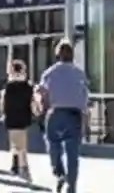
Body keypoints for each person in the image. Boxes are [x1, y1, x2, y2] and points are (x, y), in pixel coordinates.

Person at [37, 40, 89, 193]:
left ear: (57, 55)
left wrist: (43, 109)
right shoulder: (80, 73)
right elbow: (85, 98)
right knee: (73, 153)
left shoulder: (49, 73)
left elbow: (43, 94)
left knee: (53, 143)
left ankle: (59, 172)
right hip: (74, 115)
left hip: (56, 112)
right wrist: (85, 120)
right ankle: (71, 187)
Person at [2, 59, 36, 180]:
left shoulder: (8, 86)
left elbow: (3, 103)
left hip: (11, 118)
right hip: (23, 117)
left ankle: (19, 165)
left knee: (15, 143)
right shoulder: (28, 86)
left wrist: (3, 114)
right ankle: (21, 166)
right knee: (22, 144)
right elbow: (32, 102)